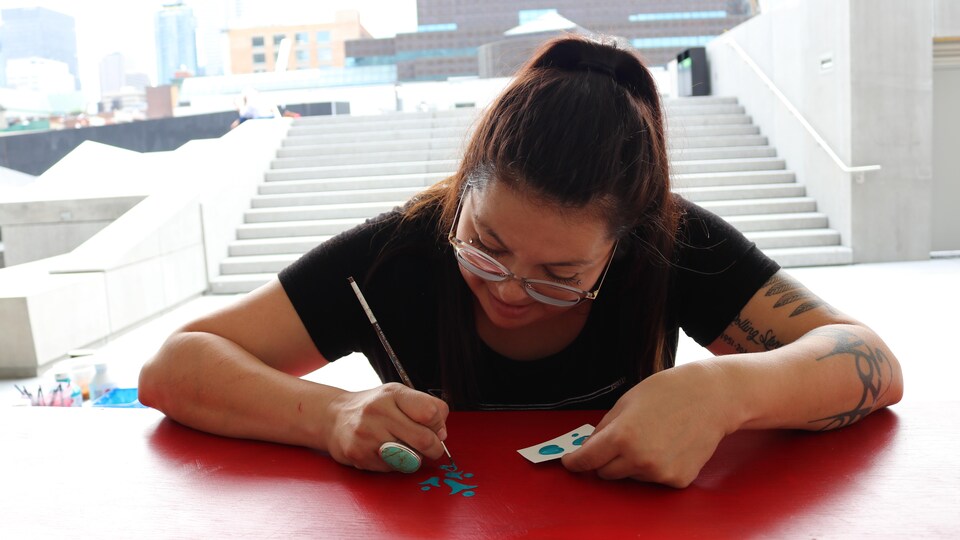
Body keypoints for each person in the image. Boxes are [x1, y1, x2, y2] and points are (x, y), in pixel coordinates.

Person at [139, 35, 903, 488]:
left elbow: (870, 360)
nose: (510, 290)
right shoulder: (397, 254)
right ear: (463, 193)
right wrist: (332, 416)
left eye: (562, 276)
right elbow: (176, 366)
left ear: (624, 240)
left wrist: (724, 392)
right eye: (487, 246)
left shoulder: (672, 245)